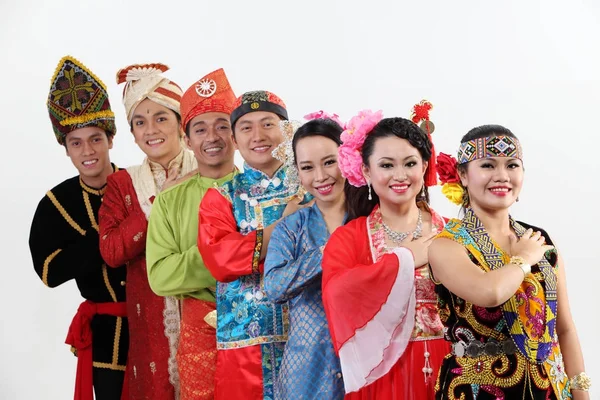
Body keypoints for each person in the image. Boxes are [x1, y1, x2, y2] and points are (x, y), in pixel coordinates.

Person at [430, 125, 591, 400]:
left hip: (549, 388)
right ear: (462, 176)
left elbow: (563, 327)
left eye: (512, 165)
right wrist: (524, 259)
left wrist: (581, 392)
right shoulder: (447, 245)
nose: (502, 176)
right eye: (488, 165)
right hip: (476, 390)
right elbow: (490, 292)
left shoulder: (539, 239)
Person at [322, 106, 450, 399]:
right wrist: (404, 259)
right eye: (387, 165)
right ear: (366, 170)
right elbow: (337, 295)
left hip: (452, 367)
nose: (400, 175)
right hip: (383, 371)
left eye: (410, 163)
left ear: (424, 166)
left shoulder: (454, 232)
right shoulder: (349, 238)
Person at [197, 90, 311, 400]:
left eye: (268, 124)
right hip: (246, 345)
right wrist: (282, 227)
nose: (258, 136)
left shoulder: (313, 184)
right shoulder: (221, 197)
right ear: (234, 139)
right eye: (246, 127)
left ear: (287, 131)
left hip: (312, 337)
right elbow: (220, 258)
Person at [29, 55, 128, 400]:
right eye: (76, 142)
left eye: (96, 139)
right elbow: (49, 272)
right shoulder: (55, 203)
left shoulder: (140, 184)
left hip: (158, 330)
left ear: (110, 139)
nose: (88, 151)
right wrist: (102, 241)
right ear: (66, 149)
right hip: (103, 342)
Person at [99, 63, 196, 399]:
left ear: (180, 123)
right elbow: (111, 252)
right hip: (152, 332)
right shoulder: (122, 183)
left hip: (211, 317)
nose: (150, 129)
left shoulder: (212, 169)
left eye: (160, 118)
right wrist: (157, 203)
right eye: (139, 122)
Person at [146, 68, 237, 400]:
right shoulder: (170, 202)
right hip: (198, 329)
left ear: (237, 135)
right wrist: (231, 254)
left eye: (222, 126)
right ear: (187, 139)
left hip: (260, 328)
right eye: (200, 129)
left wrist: (203, 263)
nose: (211, 137)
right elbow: (160, 276)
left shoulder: (260, 193)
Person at [264, 114, 347, 400]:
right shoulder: (291, 227)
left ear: (347, 158)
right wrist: (327, 253)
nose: (320, 177)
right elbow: (274, 287)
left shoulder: (370, 219)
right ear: (297, 172)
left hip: (365, 362)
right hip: (307, 371)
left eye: (329, 162)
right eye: (307, 167)